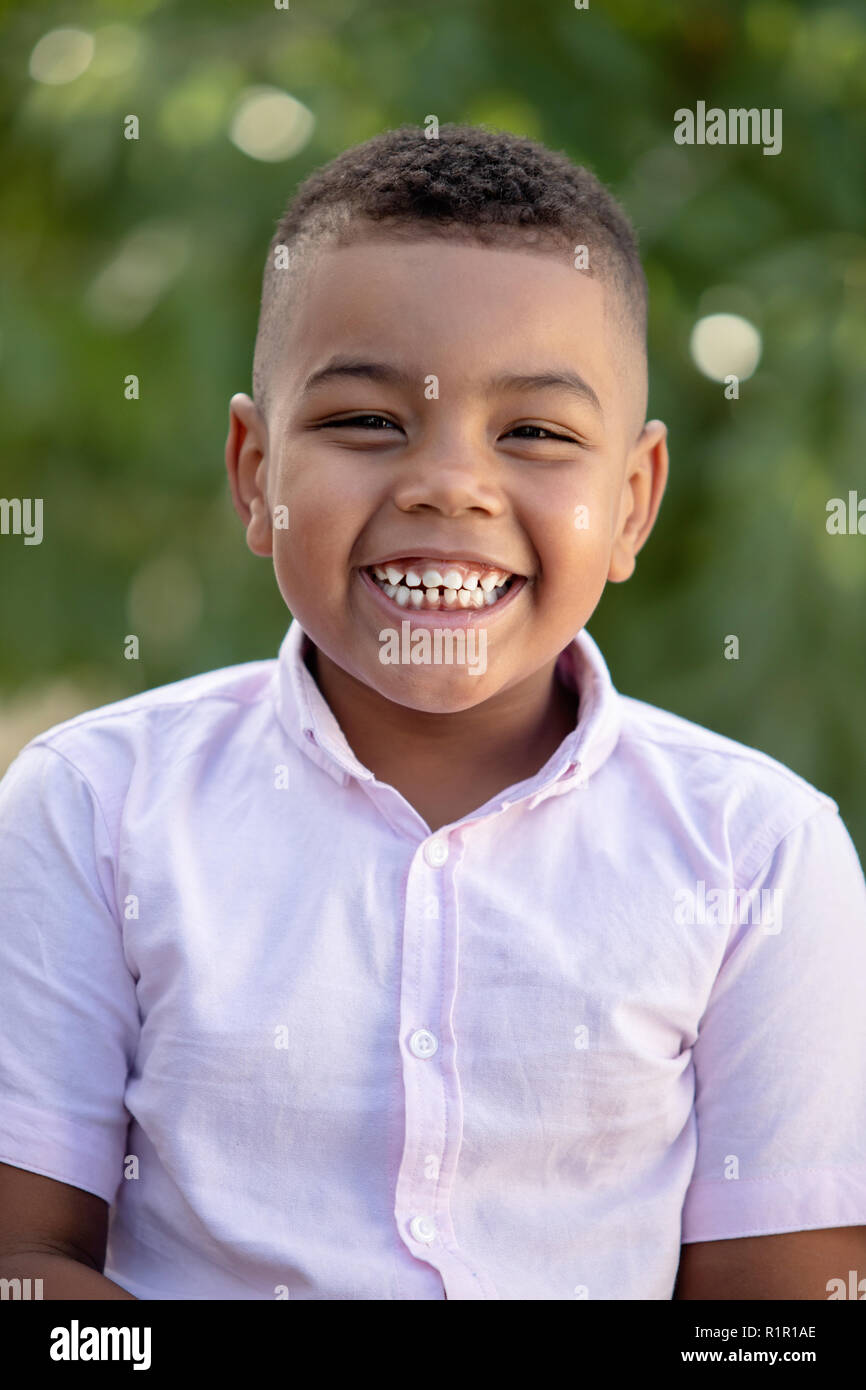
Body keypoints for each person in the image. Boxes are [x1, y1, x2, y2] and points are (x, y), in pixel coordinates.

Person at [1, 124, 865, 1301]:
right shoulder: (92, 806)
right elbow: (21, 1266)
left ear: (630, 500)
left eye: (534, 434)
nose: (446, 482)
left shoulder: (758, 848)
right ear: (256, 474)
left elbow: (784, 1311)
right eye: (363, 421)